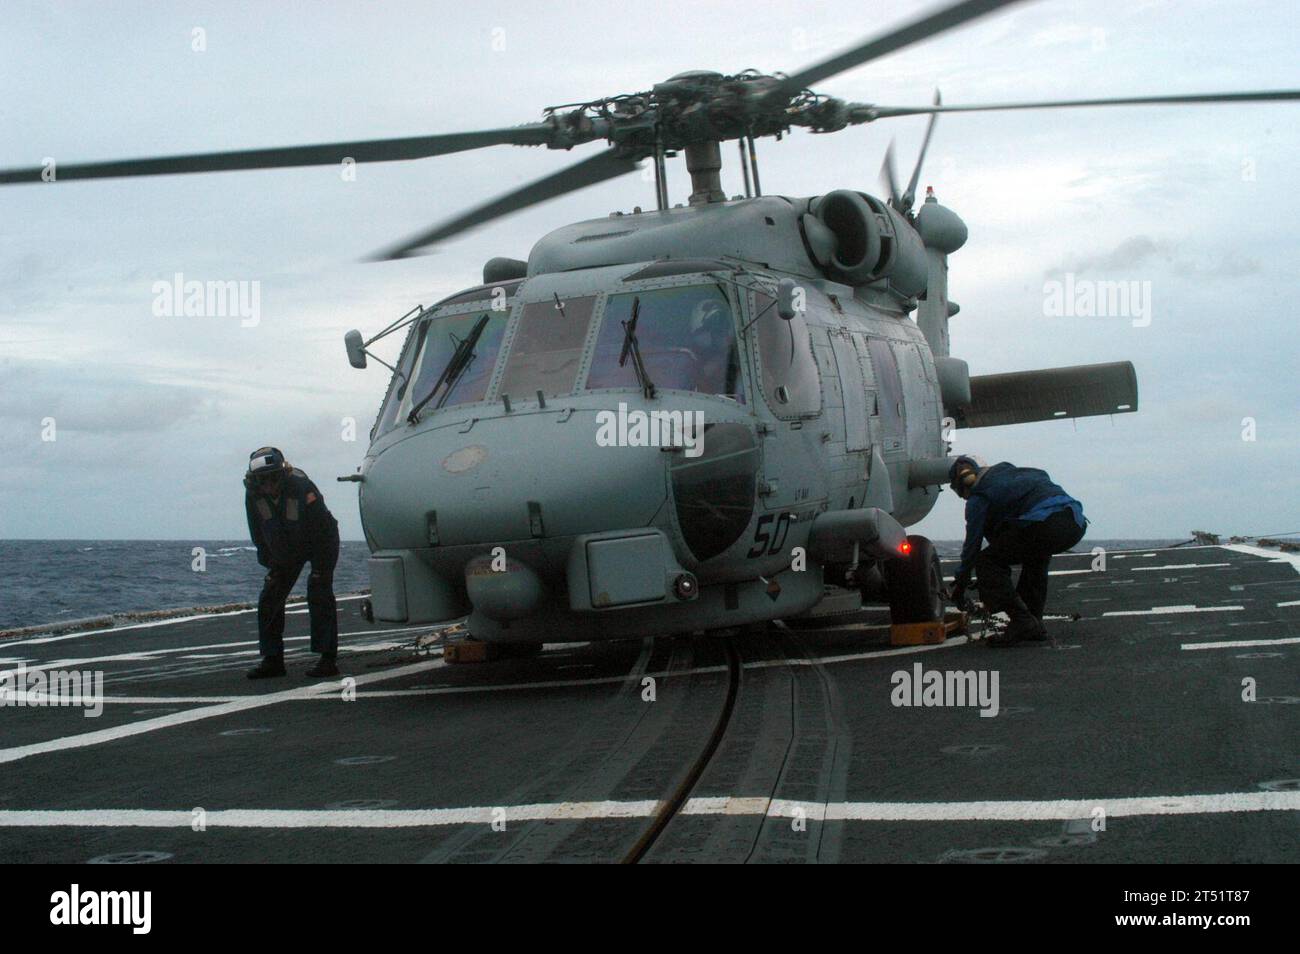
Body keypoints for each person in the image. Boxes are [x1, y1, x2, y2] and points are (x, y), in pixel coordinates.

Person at [947, 455, 1086, 647]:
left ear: (961, 485)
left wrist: (961, 583)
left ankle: (1022, 621)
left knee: (987, 561)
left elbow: (973, 545)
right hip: (1073, 523)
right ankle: (1034, 625)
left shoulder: (979, 497)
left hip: (1043, 522)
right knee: (1036, 558)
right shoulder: (1013, 474)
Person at [243, 447, 341, 678]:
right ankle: (272, 659)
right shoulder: (253, 494)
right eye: (263, 479)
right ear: (256, 479)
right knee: (270, 597)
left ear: (282, 473)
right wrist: (269, 560)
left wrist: (319, 569)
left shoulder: (302, 487)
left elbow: (321, 527)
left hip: (320, 542)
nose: (269, 484)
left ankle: (328, 659)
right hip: (285, 548)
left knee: (318, 591)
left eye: (274, 477)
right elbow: (257, 530)